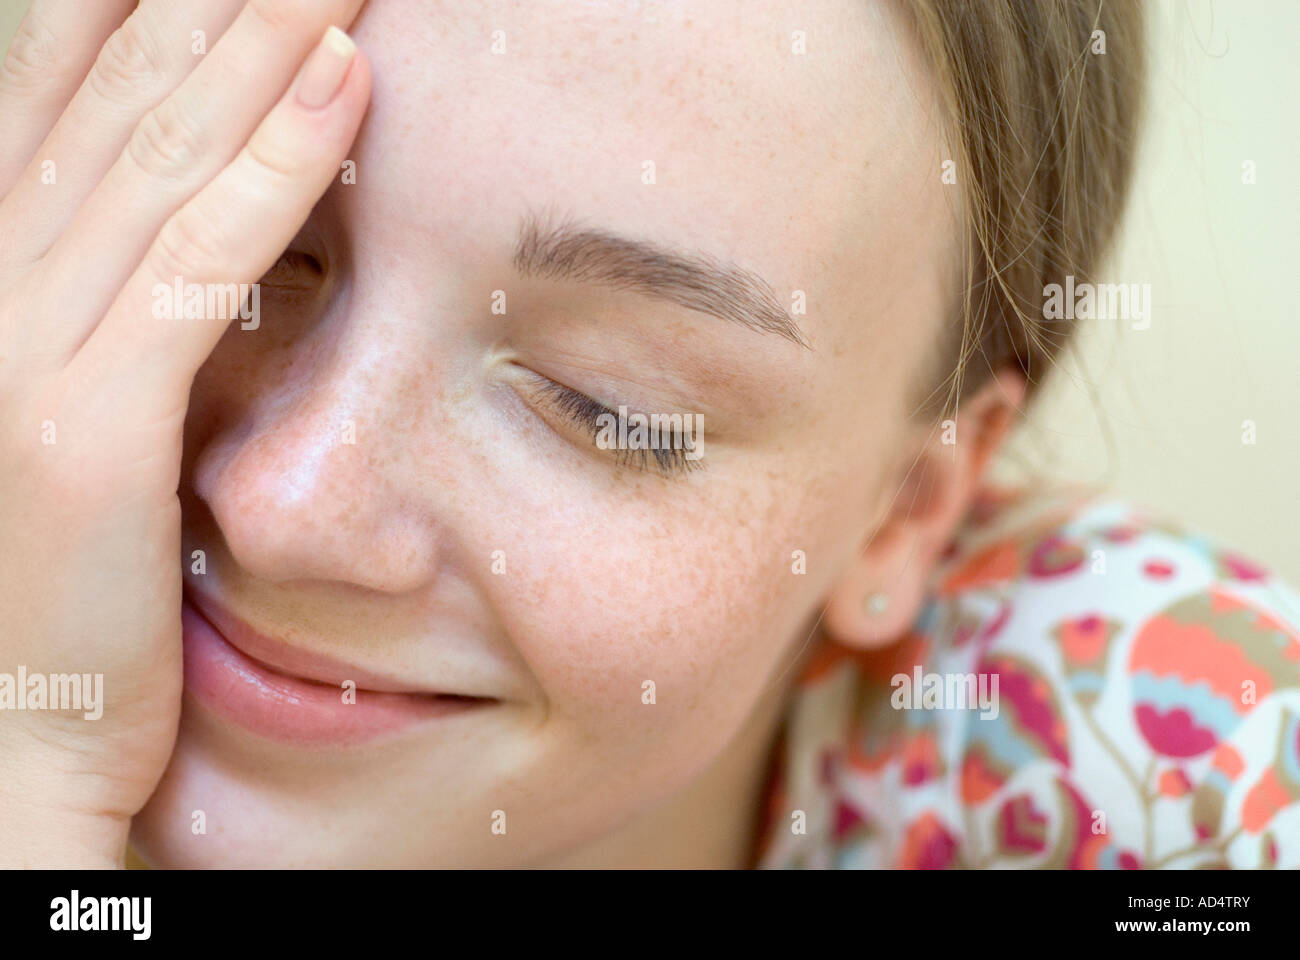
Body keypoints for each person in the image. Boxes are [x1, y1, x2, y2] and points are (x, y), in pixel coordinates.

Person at [0, 0, 1294, 869]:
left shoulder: (1174, 778)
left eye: (602, 403)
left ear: (907, 509)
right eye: (250, 256)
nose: (287, 508)